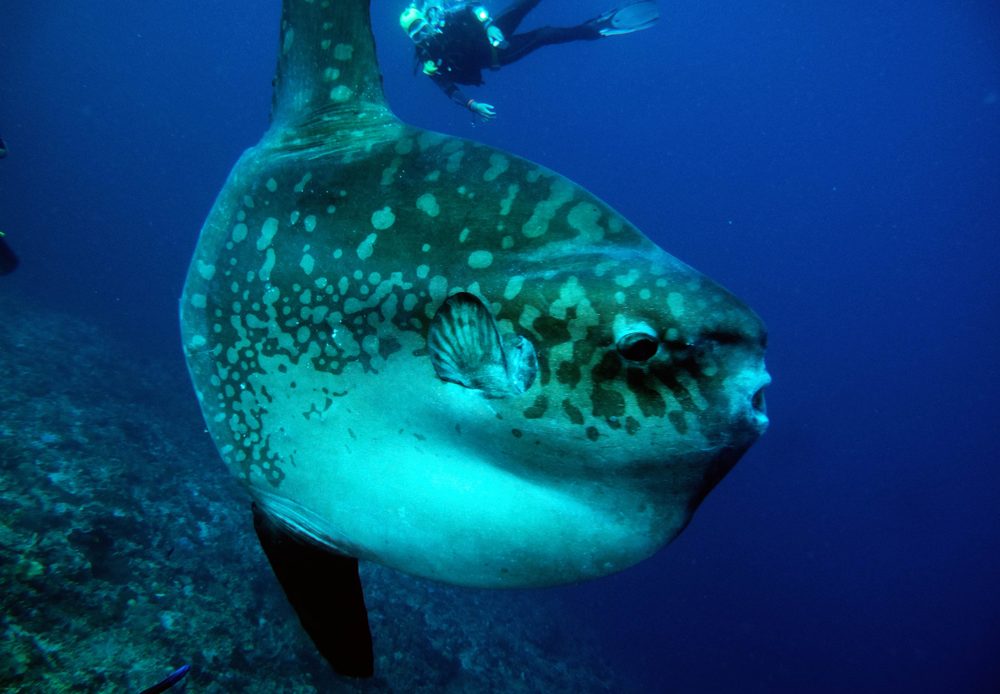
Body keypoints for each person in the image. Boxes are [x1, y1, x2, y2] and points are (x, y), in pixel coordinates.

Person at [400, 0, 659, 119]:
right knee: (545, 34)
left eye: (422, 27)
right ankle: (596, 29)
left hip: (491, 33)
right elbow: (447, 88)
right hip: (495, 54)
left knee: (524, 3)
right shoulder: (428, 61)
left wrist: (489, 24)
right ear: (411, 37)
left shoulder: (447, 18)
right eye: (415, 34)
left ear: (425, 21)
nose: (422, 35)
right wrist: (470, 104)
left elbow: (473, 8)